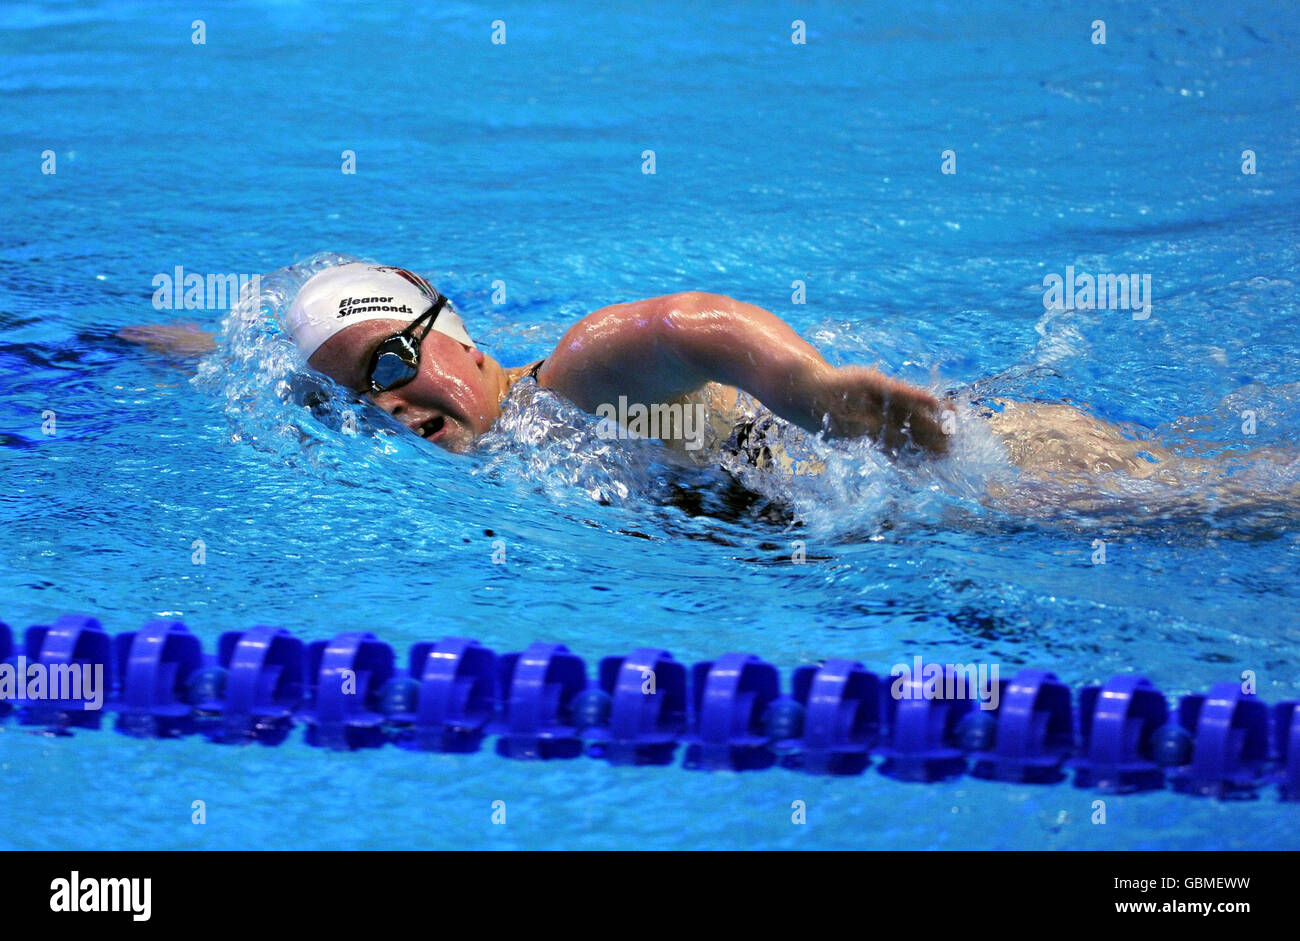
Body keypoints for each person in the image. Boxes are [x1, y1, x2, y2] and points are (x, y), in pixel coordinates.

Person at [121, 261, 1288, 503]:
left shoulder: (574, 384)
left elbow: (680, 323)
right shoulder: (490, 434)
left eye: (390, 364)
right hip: (892, 517)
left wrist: (819, 394)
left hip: (990, 471)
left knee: (1244, 501)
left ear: (458, 339)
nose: (385, 404)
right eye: (351, 397)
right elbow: (243, 358)